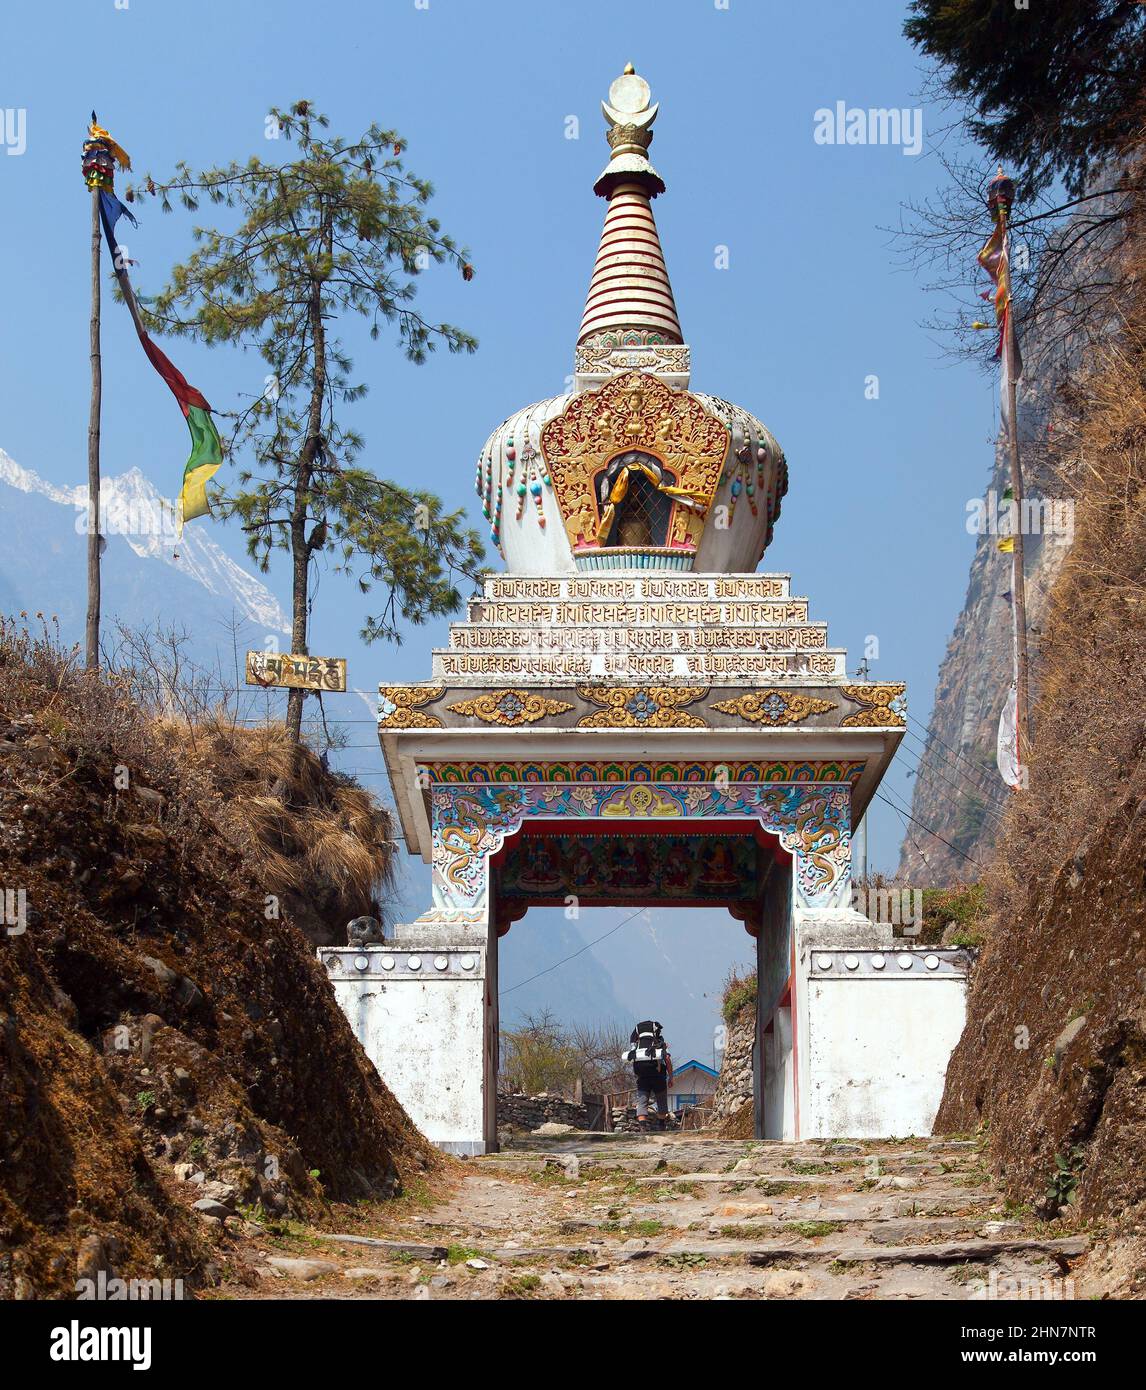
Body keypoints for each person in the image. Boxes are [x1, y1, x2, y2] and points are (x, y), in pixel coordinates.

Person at [628, 1020, 673, 1127]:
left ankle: (642, 1129)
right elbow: (667, 1059)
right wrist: (671, 1077)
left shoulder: (637, 1048)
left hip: (642, 1077)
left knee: (642, 1103)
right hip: (658, 1077)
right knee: (661, 1101)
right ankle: (661, 1125)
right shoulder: (658, 1042)